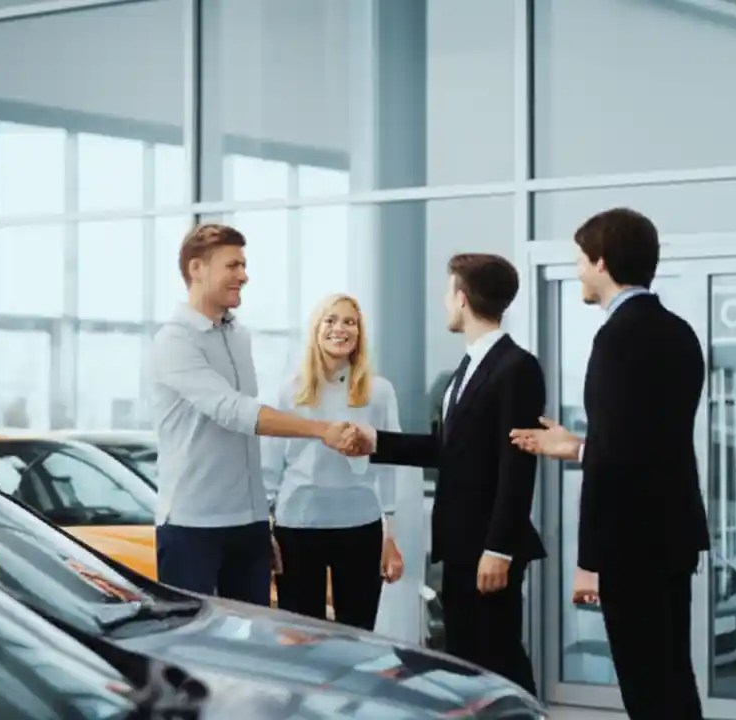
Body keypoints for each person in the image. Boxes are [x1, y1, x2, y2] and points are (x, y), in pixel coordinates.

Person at [510, 208, 707, 720]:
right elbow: (650, 442)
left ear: (602, 261)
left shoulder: (617, 338)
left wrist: (589, 560)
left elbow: (621, 457)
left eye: (580, 259)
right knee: (672, 679)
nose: (577, 270)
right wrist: (581, 445)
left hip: (632, 544)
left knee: (647, 688)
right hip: (673, 535)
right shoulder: (680, 332)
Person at [358, 253, 546, 694]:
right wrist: (376, 441)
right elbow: (449, 450)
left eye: (448, 292)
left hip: (488, 546)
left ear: (462, 298)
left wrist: (499, 548)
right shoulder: (467, 367)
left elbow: (517, 465)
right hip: (461, 544)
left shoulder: (515, 367)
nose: (445, 302)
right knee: (466, 658)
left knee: (498, 658)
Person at [148, 223, 362, 606]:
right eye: (233, 266)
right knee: (192, 637)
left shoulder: (238, 335)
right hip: (192, 525)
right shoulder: (174, 341)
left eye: (244, 265)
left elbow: (245, 445)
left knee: (253, 637)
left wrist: (260, 522)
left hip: (247, 526)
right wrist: (322, 430)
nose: (244, 276)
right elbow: (234, 411)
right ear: (197, 269)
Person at [261, 293, 422, 635]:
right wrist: (265, 529)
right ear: (316, 329)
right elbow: (269, 466)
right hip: (297, 526)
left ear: (359, 333)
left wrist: (391, 538)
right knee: (301, 635)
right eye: (331, 320)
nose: (340, 328)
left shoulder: (379, 392)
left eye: (350, 322)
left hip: (360, 526)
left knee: (358, 635)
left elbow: (389, 467)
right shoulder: (289, 391)